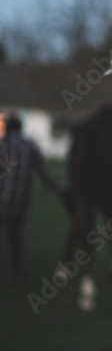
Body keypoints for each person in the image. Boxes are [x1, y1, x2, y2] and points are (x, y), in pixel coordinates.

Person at [0, 115, 64, 281]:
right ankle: (16, 271)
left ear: (7, 128)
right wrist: (58, 191)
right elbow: (44, 174)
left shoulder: (2, 143)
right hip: (19, 202)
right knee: (14, 235)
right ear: (21, 128)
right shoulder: (29, 146)